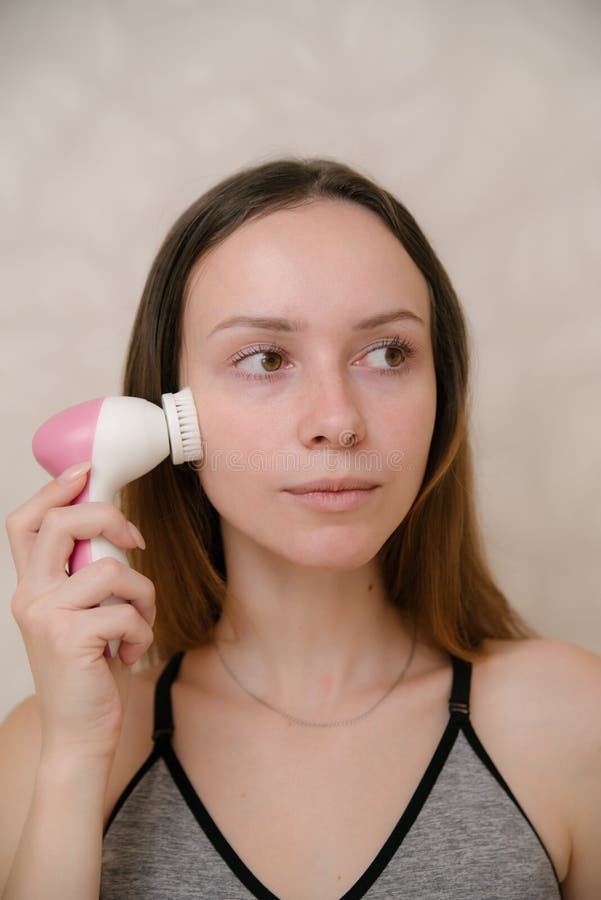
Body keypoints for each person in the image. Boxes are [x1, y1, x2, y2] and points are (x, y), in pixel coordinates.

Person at [1, 157, 599, 900]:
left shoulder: (573, 722)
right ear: (170, 419)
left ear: (440, 391)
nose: (337, 421)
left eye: (388, 353)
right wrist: (74, 757)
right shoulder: (45, 751)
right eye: (265, 358)